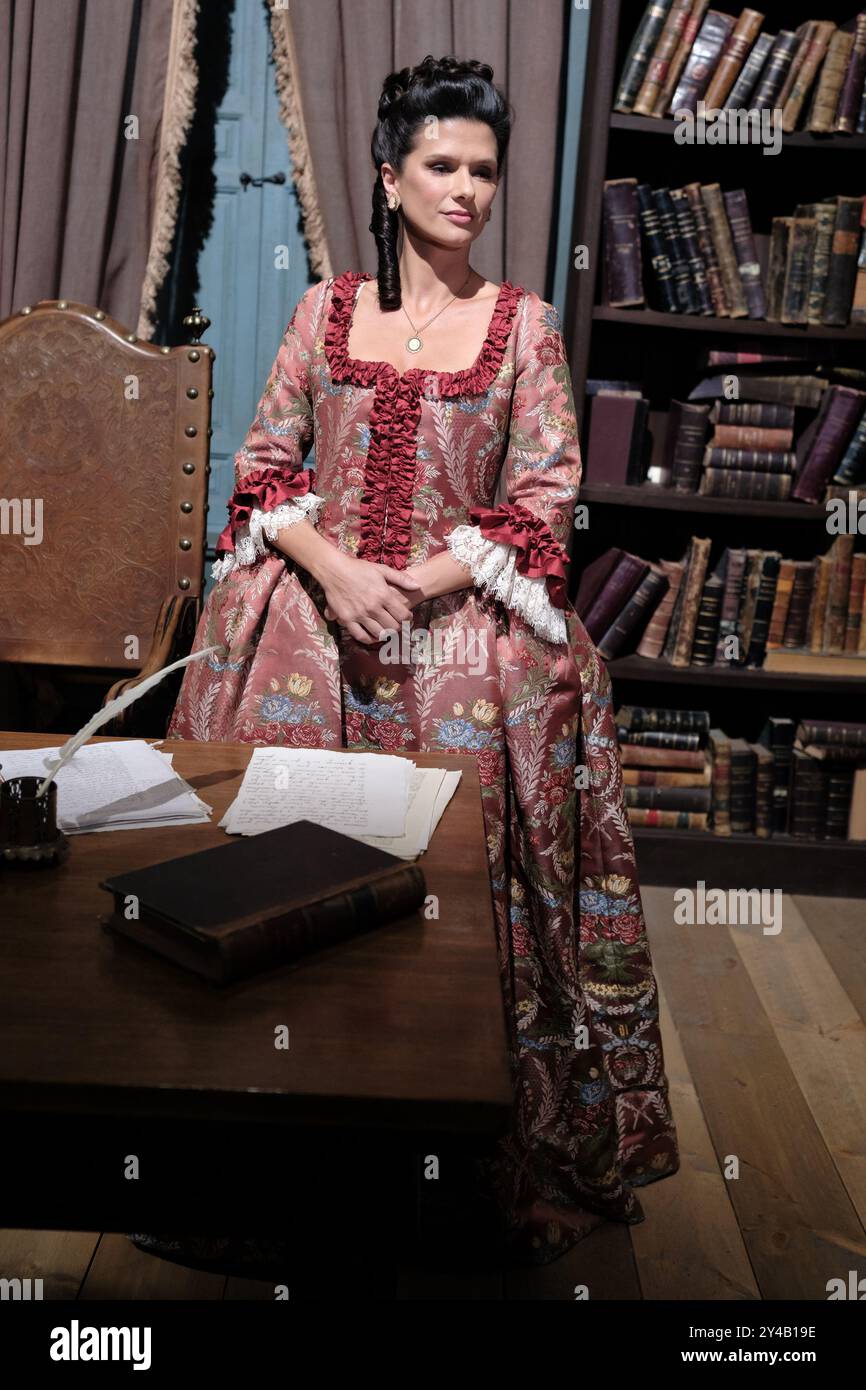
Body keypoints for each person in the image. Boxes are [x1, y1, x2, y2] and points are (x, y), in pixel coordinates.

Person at [167, 53, 679, 1267]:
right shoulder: (321, 312)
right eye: (441, 166)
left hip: (462, 631)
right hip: (311, 621)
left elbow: (546, 497)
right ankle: (271, 1162)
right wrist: (337, 572)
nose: (466, 190)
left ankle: (470, 1169)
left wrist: (417, 582)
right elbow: (266, 468)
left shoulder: (522, 328)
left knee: (460, 896)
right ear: (388, 175)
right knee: (285, 882)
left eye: (484, 171)